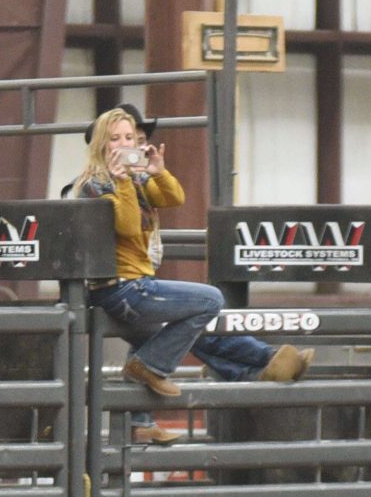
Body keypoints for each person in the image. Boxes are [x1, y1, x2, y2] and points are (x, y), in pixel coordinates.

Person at [66, 105, 309, 442]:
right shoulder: (99, 186)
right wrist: (123, 183)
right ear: (101, 145)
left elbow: (174, 197)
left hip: (130, 283)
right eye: (118, 138)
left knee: (164, 336)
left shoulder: (133, 181)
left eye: (132, 137)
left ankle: (143, 420)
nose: (129, 144)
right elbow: (127, 225)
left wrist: (158, 172)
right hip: (121, 286)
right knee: (209, 301)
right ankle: (253, 363)